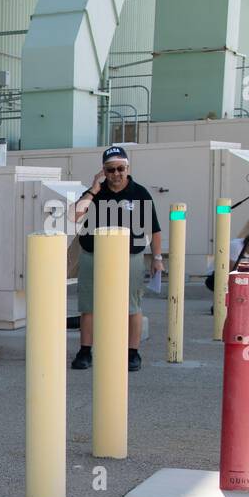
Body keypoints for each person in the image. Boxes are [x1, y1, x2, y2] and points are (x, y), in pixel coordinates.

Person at [71, 145, 162, 372]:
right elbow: (74, 215)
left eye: (120, 168)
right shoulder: (96, 192)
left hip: (129, 255)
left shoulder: (139, 192)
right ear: (103, 171)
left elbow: (155, 228)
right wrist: (92, 190)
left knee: (132, 305)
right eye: (110, 170)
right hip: (94, 254)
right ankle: (85, 351)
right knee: (88, 305)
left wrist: (157, 257)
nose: (116, 174)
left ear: (127, 168)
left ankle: (132, 353)